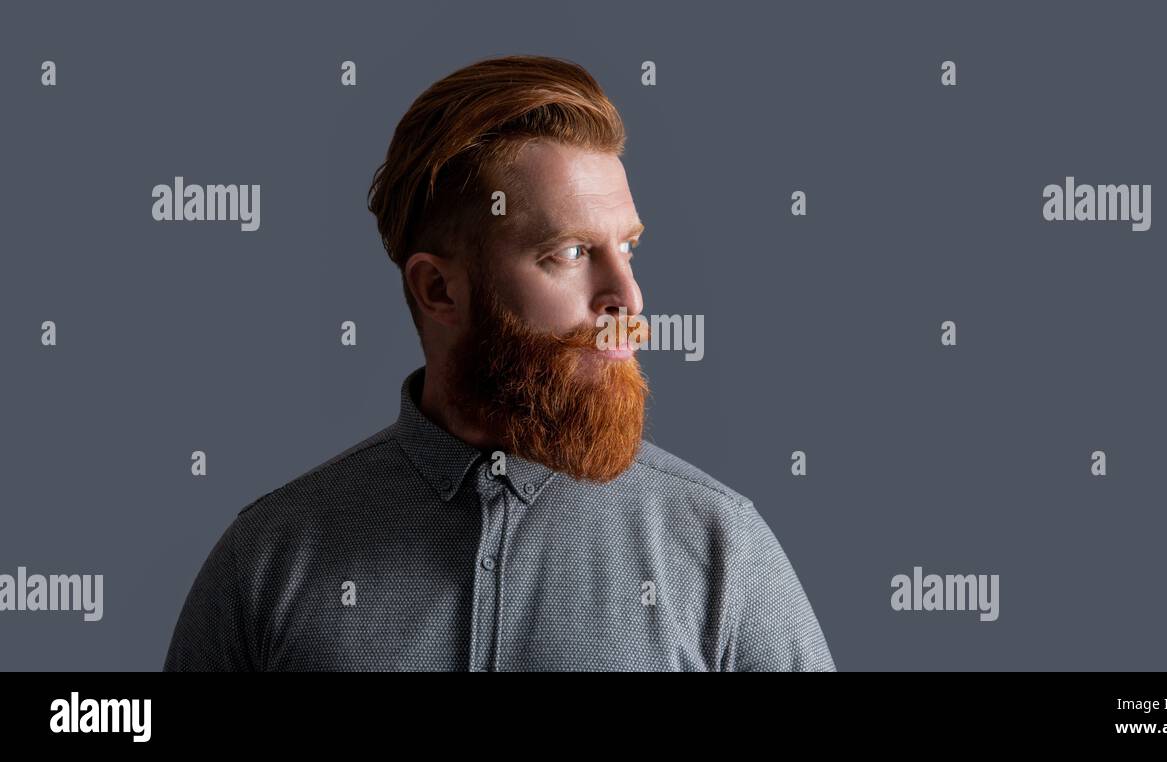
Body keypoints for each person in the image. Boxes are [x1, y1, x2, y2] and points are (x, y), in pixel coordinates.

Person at [164, 54, 834, 671]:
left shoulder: (722, 553)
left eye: (627, 247)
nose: (626, 297)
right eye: (569, 253)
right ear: (438, 289)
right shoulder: (269, 562)